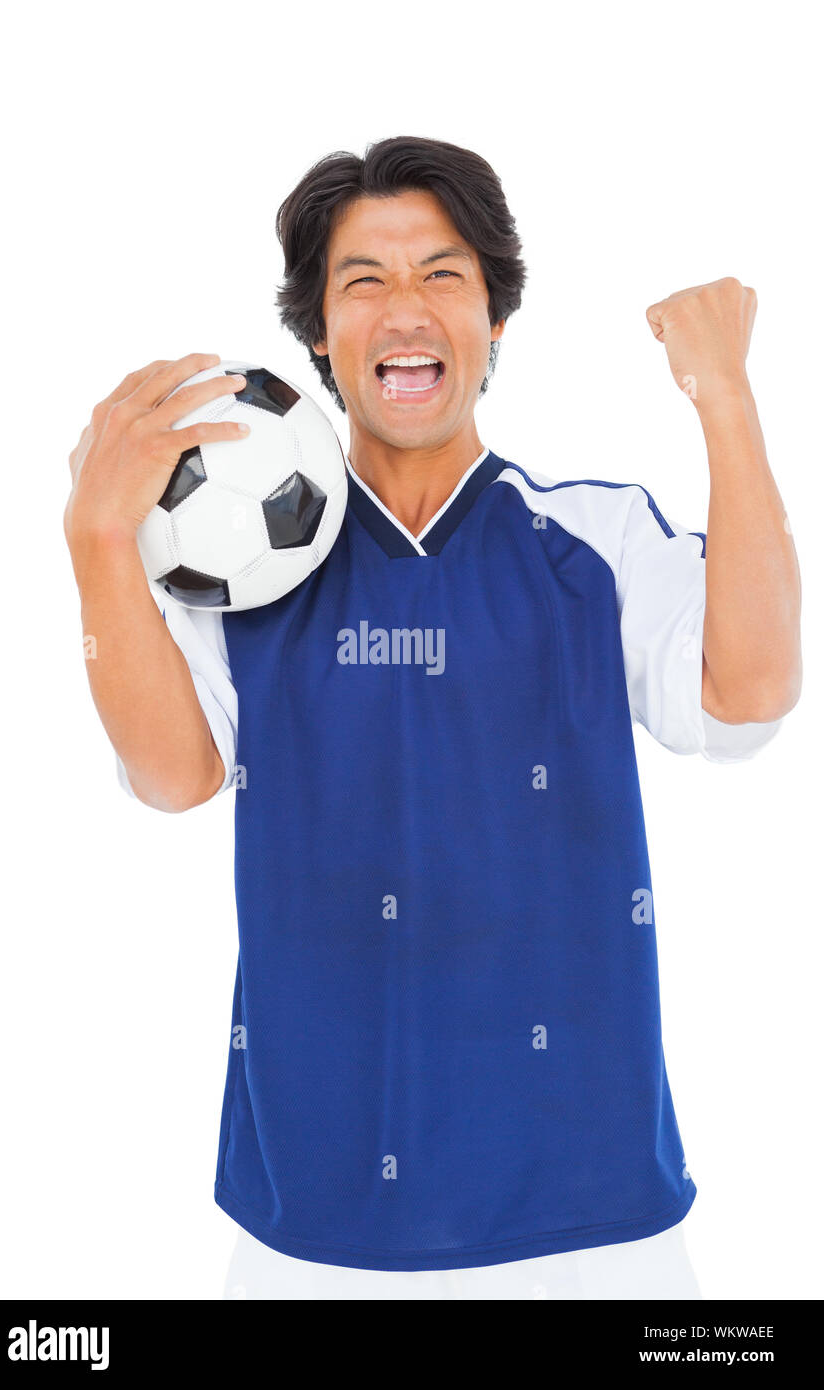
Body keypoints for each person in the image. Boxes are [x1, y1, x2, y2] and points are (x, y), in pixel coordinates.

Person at [64, 136, 801, 1299]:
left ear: (493, 322)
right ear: (316, 336)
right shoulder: (235, 571)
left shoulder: (594, 541)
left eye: (441, 275)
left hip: (597, 1226)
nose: (403, 307)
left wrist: (723, 393)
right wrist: (98, 539)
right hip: (307, 1226)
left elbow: (749, 691)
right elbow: (171, 778)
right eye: (363, 281)